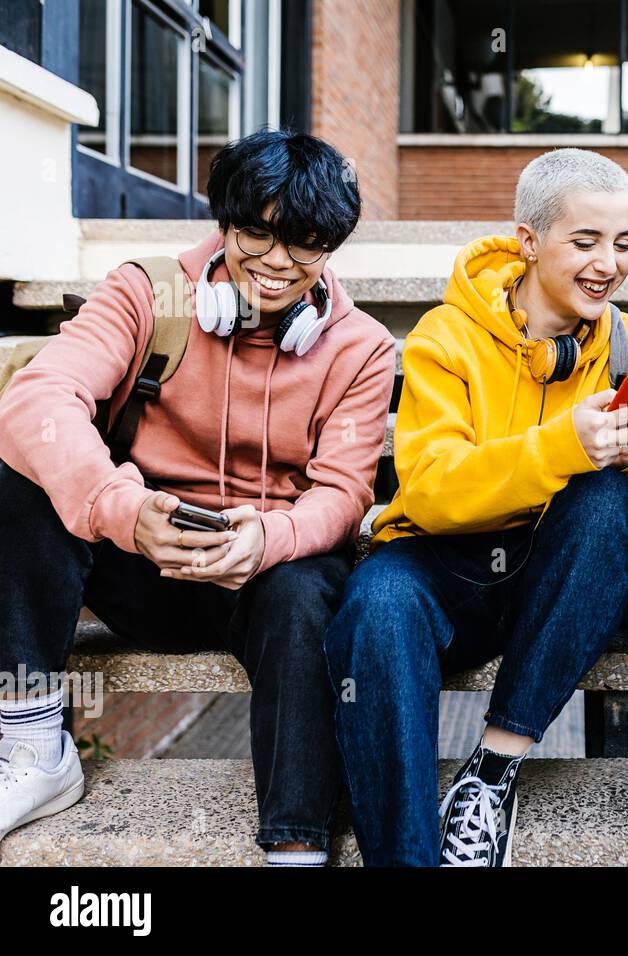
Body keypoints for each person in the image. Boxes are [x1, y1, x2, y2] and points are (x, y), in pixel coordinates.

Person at [0, 130, 396, 866]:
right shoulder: (147, 292)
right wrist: (124, 508)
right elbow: (38, 398)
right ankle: (32, 748)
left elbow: (344, 494)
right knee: (21, 474)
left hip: (266, 583)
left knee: (309, 582)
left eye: (306, 246)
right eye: (257, 234)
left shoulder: (362, 346)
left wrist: (270, 537)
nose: (278, 264)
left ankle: (296, 845)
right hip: (139, 562)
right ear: (224, 223)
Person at [323, 148, 628, 867]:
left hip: (551, 580)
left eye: (624, 242)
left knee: (609, 504)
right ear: (529, 240)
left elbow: (621, 511)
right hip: (440, 561)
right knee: (375, 606)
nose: (609, 263)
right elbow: (432, 490)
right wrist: (561, 445)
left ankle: (489, 775)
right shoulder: (444, 337)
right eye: (586, 240)